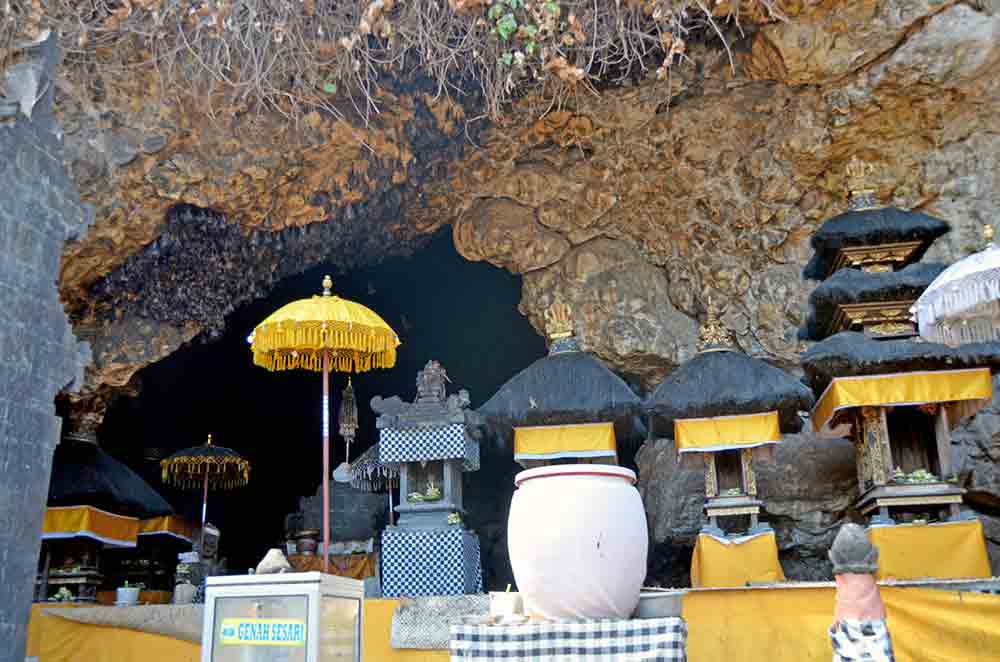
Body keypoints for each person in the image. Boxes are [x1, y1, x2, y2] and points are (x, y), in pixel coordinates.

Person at [828, 523, 895, 662]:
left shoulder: (844, 581)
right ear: (873, 555)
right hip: (871, 628)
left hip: (852, 625)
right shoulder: (866, 579)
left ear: (833, 556)